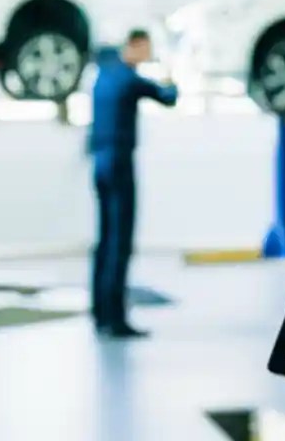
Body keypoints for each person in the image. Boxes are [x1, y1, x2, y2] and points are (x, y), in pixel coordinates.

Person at [88, 29, 178, 338]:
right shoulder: (129, 78)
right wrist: (169, 74)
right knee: (120, 242)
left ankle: (100, 313)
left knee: (104, 241)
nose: (147, 55)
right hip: (119, 164)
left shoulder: (102, 75)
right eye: (147, 49)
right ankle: (116, 319)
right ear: (136, 46)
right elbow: (169, 97)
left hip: (99, 163)